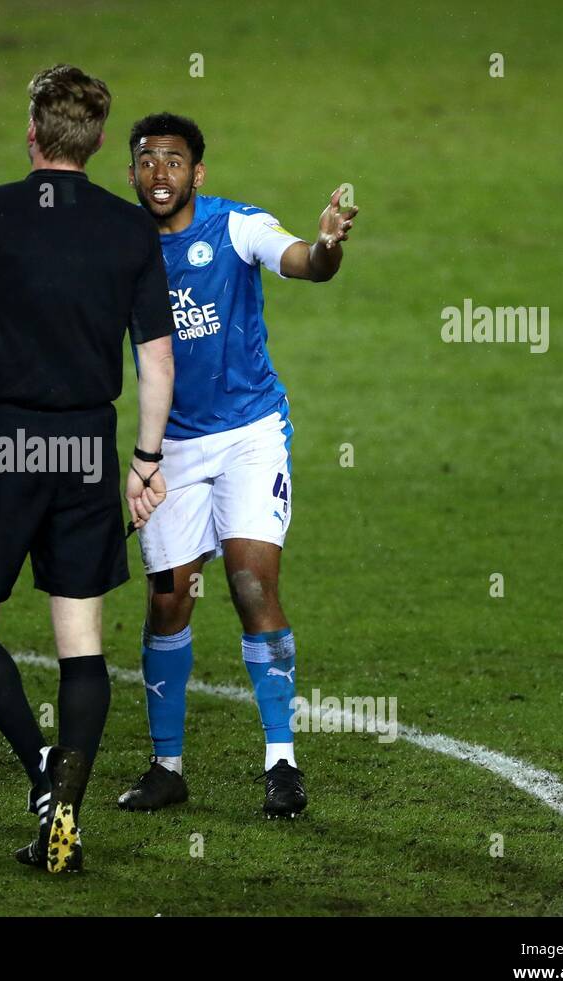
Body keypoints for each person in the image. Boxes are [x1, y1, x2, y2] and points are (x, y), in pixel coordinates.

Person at [0, 65, 175, 873]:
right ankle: (72, 808)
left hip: (6, 442)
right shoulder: (131, 230)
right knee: (81, 644)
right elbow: (156, 362)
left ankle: (40, 775)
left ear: (32, 136)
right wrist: (146, 459)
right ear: (95, 145)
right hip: (87, 445)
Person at [116, 112, 359, 819]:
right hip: (172, 447)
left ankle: (281, 760)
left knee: (252, 580)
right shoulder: (122, 247)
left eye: (174, 160)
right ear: (130, 172)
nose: (160, 173)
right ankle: (167, 766)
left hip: (250, 433)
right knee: (168, 599)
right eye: (147, 161)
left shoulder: (233, 226)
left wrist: (325, 246)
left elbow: (302, 263)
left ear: (199, 172)